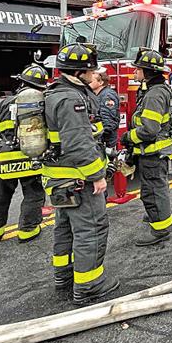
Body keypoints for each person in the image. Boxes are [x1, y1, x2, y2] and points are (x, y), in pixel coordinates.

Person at [42, 42, 118, 305]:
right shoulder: (72, 99)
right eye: (90, 70)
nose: (93, 74)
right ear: (80, 72)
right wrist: (97, 175)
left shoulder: (54, 93)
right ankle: (89, 286)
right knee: (91, 229)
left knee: (65, 227)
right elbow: (77, 143)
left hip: (59, 177)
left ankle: (64, 277)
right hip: (78, 177)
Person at [0, 64, 48, 244]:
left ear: (21, 83)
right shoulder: (44, 103)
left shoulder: (3, 103)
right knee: (33, 195)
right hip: (33, 157)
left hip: (4, 157)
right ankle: (28, 230)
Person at [121, 49, 172, 247]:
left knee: (153, 191)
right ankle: (158, 215)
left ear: (147, 71)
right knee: (156, 188)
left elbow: (149, 130)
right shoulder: (154, 90)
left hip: (153, 152)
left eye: (137, 69)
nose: (134, 72)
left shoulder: (154, 95)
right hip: (154, 151)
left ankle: (161, 229)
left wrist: (128, 137)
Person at [89, 66, 121, 195]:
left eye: (92, 80)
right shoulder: (96, 95)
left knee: (102, 177)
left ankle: (102, 207)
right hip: (99, 143)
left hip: (105, 143)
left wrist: (94, 134)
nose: (88, 82)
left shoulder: (107, 96)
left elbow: (108, 124)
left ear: (101, 82)